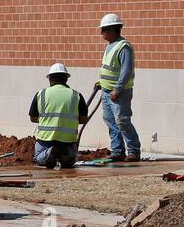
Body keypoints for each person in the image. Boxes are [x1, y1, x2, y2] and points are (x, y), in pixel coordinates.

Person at [93, 13, 140, 162]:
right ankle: (118, 150)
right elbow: (111, 69)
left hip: (119, 93)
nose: (101, 33)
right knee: (111, 122)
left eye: (104, 30)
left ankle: (133, 151)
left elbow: (125, 71)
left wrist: (117, 89)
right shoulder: (110, 46)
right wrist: (102, 83)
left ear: (113, 30)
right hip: (107, 91)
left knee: (122, 121)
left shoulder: (123, 47)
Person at [28, 62, 89, 169]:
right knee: (68, 162)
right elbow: (83, 119)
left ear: (50, 79)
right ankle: (66, 158)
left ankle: (49, 153)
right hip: (68, 141)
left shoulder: (41, 94)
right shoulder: (76, 95)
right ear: (66, 79)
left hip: (45, 140)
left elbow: (32, 118)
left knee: (38, 157)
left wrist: (47, 119)